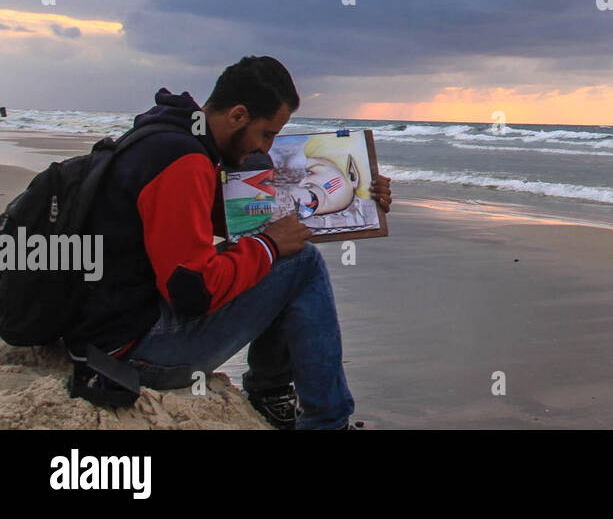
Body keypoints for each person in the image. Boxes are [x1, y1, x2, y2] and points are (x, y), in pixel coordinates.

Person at [65, 56, 393, 430]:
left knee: (284, 257)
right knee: (303, 264)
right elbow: (193, 293)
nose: (266, 148)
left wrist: (363, 195)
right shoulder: (183, 161)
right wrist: (268, 246)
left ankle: (271, 395)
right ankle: (327, 422)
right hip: (132, 353)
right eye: (267, 133)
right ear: (238, 116)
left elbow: (240, 220)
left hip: (107, 330)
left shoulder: (167, 137)